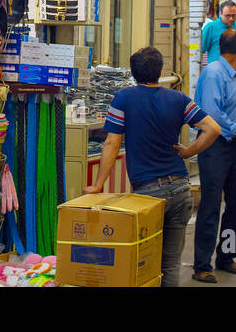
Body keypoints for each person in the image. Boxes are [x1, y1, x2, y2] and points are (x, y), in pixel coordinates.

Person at [89, 46, 222, 287]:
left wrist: (98, 184)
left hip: (147, 194)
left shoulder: (124, 98)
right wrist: (189, 152)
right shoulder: (179, 99)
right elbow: (213, 129)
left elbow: (111, 141)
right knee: (170, 264)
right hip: (181, 188)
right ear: (160, 72)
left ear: (133, 72)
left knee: (144, 262)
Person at [191, 29, 236, 283]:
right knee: (210, 206)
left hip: (235, 147)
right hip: (214, 147)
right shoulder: (213, 74)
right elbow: (212, 113)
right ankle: (201, 265)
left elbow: (235, 110)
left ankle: (226, 256)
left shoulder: (235, 74)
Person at [199, 0, 236, 69]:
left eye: (234, 15)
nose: (231, 19)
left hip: (234, 73)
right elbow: (201, 49)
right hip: (216, 72)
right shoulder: (211, 27)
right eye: (228, 16)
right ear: (220, 13)